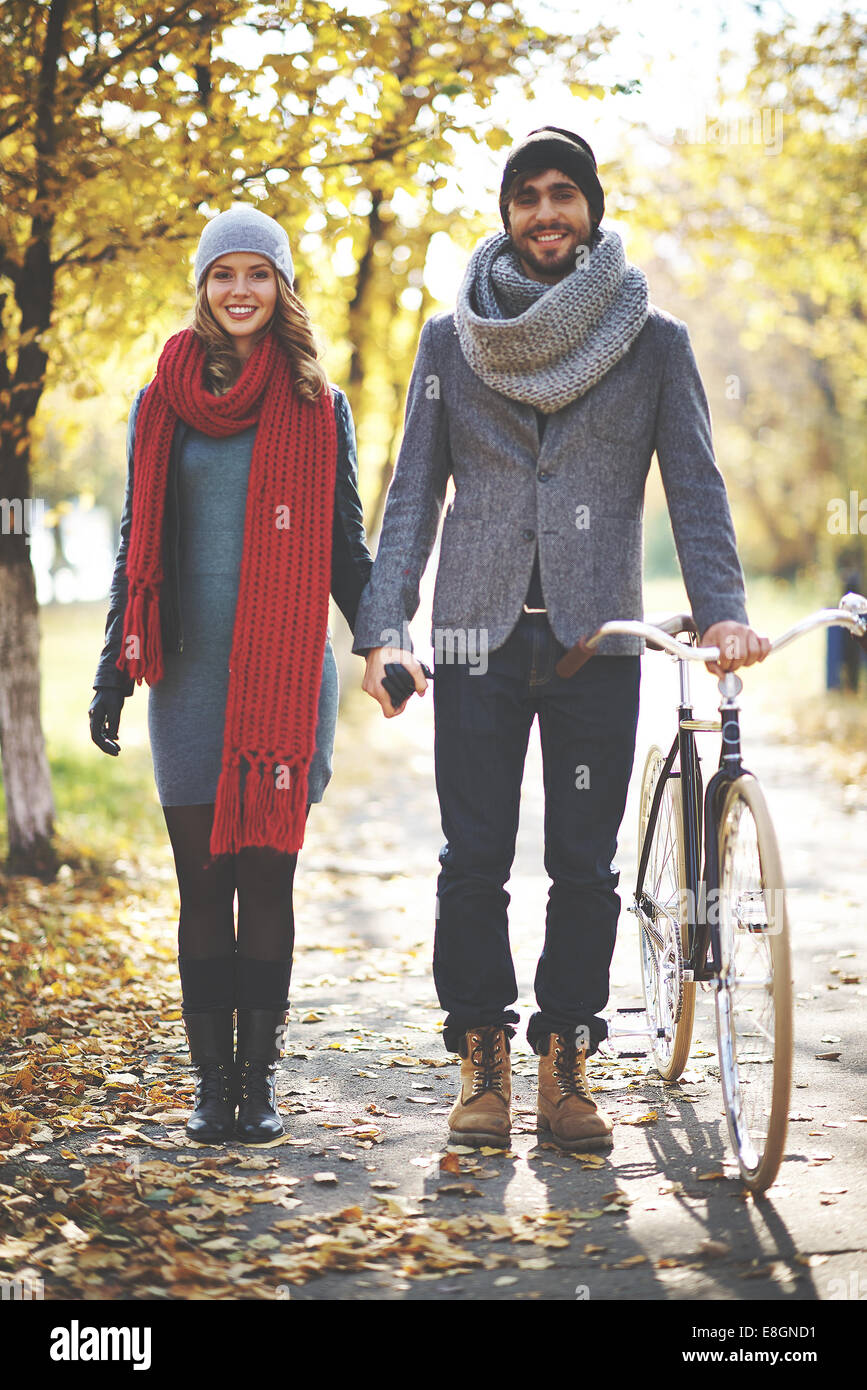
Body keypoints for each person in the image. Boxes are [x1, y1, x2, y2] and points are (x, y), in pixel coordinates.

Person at [353, 127, 769, 1153]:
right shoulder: (453, 340)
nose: (547, 214)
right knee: (473, 859)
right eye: (528, 197)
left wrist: (721, 607)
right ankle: (481, 1056)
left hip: (600, 640)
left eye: (564, 196)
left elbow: (697, 487)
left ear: (591, 209)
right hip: (473, 637)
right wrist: (384, 627)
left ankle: (568, 1057)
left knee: (584, 866)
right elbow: (412, 490)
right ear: (507, 214)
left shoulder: (654, 341)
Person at [89, 206, 372, 1145]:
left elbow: (345, 552)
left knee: (270, 889)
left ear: (280, 287)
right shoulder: (160, 400)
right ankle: (211, 1086)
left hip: (284, 681)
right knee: (203, 890)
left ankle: (259, 1085)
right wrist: (110, 672)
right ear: (203, 287)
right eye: (223, 274)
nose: (239, 290)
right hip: (189, 677)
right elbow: (138, 541)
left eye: (257, 273)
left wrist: (385, 641)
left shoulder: (317, 404)